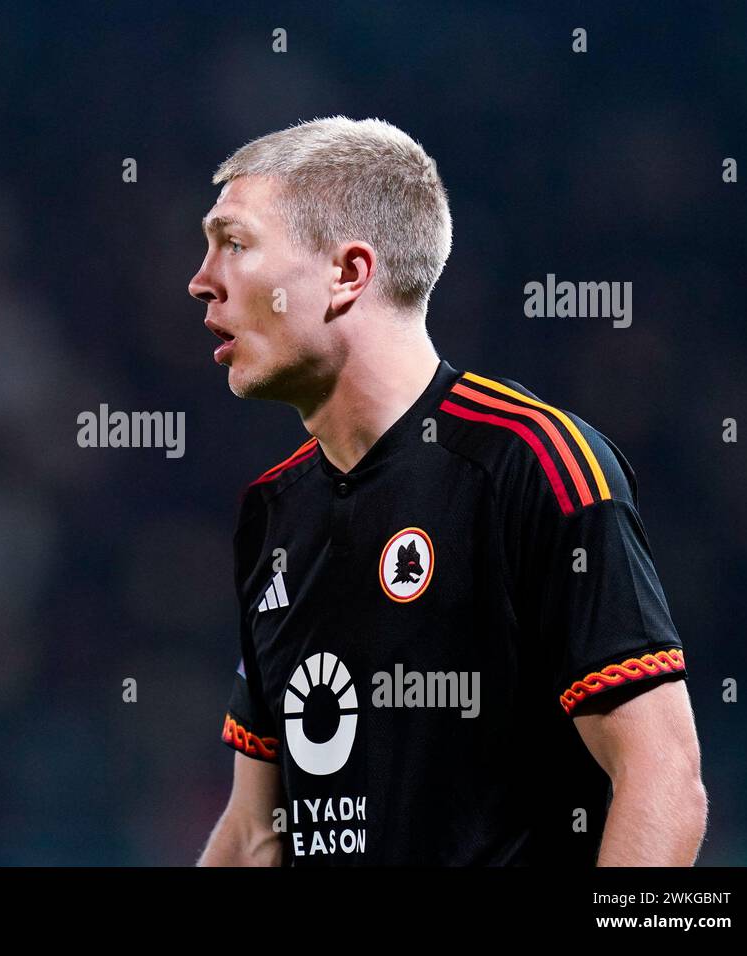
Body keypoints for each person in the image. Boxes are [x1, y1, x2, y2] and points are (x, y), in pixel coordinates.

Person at [189, 116, 706, 866]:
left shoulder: (534, 464)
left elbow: (662, 778)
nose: (202, 278)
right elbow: (253, 833)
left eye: (234, 243)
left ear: (347, 273)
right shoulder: (272, 513)